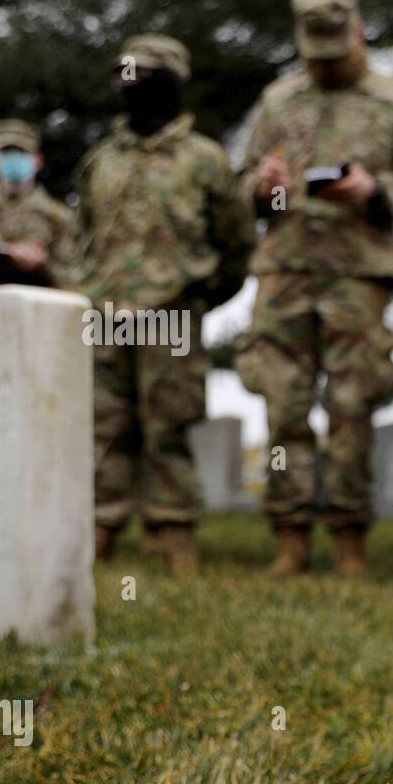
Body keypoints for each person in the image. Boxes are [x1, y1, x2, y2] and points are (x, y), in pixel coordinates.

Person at [237, 0, 393, 576]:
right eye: (315, 54)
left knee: (352, 406)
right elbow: (246, 188)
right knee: (284, 404)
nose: (325, 64)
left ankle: (350, 539)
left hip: (358, 273)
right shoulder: (277, 101)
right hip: (286, 269)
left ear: (359, 31)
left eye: (336, 50)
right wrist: (264, 185)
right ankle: (290, 536)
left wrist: (375, 193)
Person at [78, 34, 255, 573]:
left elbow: (236, 241)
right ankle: (101, 527)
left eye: (144, 75)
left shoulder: (203, 160)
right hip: (106, 316)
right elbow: (84, 236)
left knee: (168, 424)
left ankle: (173, 531)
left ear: (173, 81)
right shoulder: (100, 161)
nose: (131, 86)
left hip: (172, 312)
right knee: (104, 425)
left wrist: (199, 295)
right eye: (124, 76)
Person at [0, 119, 79, 302]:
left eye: (21, 152)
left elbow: (74, 273)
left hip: (40, 311)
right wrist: (3, 253)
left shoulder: (58, 214)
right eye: (5, 153)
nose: (13, 159)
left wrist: (42, 262)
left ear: (38, 161)